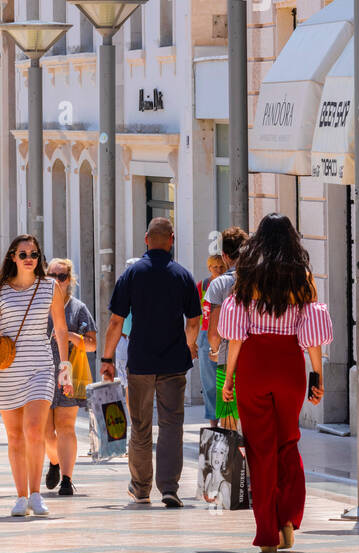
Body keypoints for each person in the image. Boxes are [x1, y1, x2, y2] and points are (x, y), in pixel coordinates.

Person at [218, 214, 332, 553]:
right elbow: (312, 336)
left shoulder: (247, 275)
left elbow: (236, 335)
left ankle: (266, 532)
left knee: (260, 450)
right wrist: (317, 376)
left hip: (254, 363)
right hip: (289, 366)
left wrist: (230, 377)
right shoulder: (301, 277)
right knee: (288, 442)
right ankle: (287, 521)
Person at [101, 217, 200, 508]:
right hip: (173, 363)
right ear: (171, 239)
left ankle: (141, 488)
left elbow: (116, 321)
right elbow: (194, 321)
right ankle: (169, 488)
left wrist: (107, 358)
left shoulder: (132, 275)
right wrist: (188, 345)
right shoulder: (182, 275)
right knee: (171, 425)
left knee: (141, 426)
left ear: (146, 239)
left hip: (140, 362)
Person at [0, 235, 73, 518]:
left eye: (33, 254)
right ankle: (20, 496)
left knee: (34, 431)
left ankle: (36, 493)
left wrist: (65, 370)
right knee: (15, 437)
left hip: (40, 366)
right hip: (7, 370)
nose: (29, 258)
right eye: (23, 254)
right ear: (13, 258)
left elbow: (61, 330)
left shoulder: (50, 287)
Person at [44, 258, 97, 496]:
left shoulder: (78, 308)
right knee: (45, 432)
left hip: (69, 374)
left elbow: (93, 345)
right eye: (51, 276)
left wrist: (71, 336)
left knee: (66, 427)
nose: (56, 280)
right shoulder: (38, 305)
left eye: (62, 276)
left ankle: (66, 478)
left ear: (70, 280)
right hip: (41, 375)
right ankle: (54, 462)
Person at [205, 227, 248, 409]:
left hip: (226, 355)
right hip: (255, 353)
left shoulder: (219, 283)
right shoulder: (259, 279)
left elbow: (214, 332)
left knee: (229, 418)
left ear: (224, 255)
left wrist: (215, 351)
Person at [197, 252, 226, 426]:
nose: (218, 270)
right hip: (206, 334)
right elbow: (194, 315)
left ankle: (227, 420)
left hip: (226, 334)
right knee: (209, 383)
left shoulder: (229, 284)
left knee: (226, 381)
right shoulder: (202, 286)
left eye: (221, 266)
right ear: (209, 268)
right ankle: (213, 423)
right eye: (214, 267)